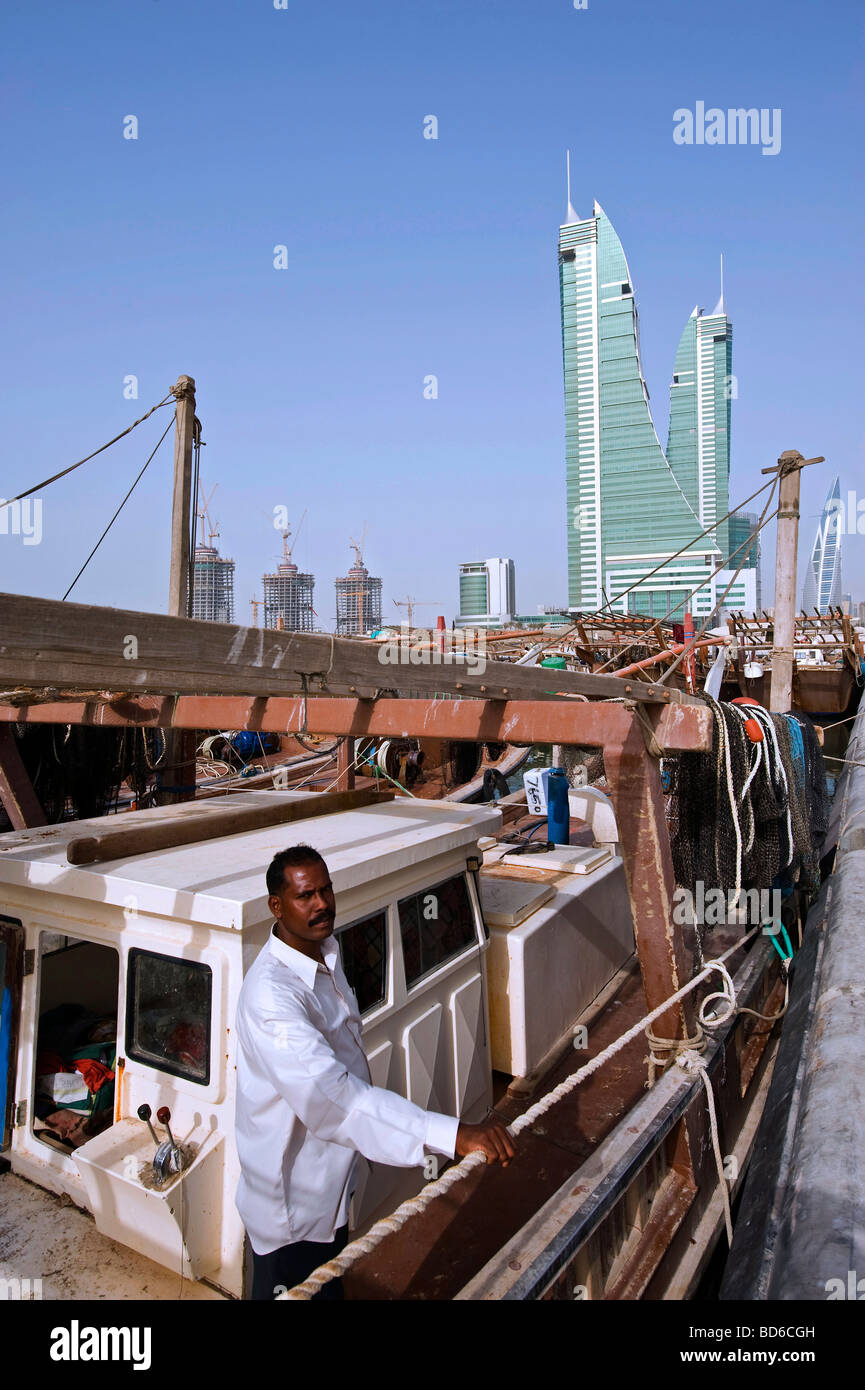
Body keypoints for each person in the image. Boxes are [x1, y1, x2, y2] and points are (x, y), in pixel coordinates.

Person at [235, 843, 515, 1300]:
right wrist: (453, 1135)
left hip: (329, 1192)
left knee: (330, 1286)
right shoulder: (272, 998)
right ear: (276, 906)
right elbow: (337, 1102)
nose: (323, 903)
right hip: (294, 1212)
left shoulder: (323, 951)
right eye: (306, 896)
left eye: (326, 890)